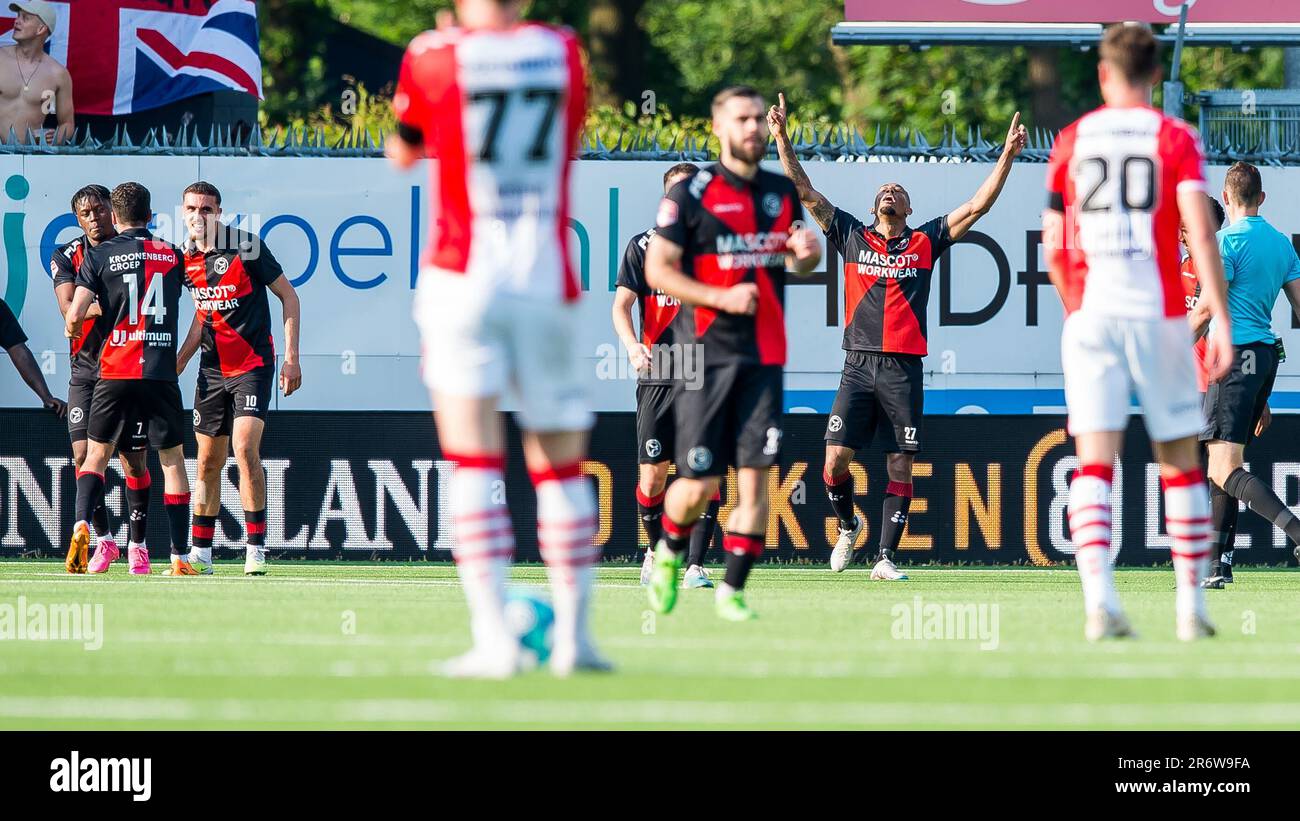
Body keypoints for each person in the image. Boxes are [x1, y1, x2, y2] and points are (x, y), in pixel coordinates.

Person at [386, 0, 606, 679]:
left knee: (475, 464)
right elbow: (569, 135)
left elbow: (402, 151)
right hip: (546, 277)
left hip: (462, 278)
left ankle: (495, 642)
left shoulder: (431, 55)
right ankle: (575, 642)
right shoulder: (564, 52)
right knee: (560, 468)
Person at [770, 92, 1027, 580]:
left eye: (897, 189)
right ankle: (848, 525)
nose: (889, 191)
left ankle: (885, 558)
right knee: (834, 462)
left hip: (904, 367)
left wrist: (1008, 156)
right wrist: (782, 138)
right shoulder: (850, 234)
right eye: (883, 190)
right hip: (858, 364)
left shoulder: (926, 240)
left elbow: (978, 205)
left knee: (899, 467)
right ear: (874, 208)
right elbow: (805, 192)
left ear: (908, 207)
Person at [1043, 23, 1234, 642]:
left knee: (1094, 464)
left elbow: (1053, 243)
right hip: (1158, 314)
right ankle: (1191, 610)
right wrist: (1221, 316)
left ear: (1103, 74)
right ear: (1156, 75)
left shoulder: (1073, 138)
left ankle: (1100, 603)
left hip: (1092, 314)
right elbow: (1199, 232)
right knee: (1180, 463)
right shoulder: (1174, 135)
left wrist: (1078, 308)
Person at [643, 85, 822, 621]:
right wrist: (720, 296)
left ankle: (732, 589)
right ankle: (669, 551)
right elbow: (659, 270)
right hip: (702, 359)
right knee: (697, 486)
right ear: (718, 126)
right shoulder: (688, 195)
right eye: (741, 119)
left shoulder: (779, 192)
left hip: (764, 358)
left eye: (758, 120)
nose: (753, 128)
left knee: (756, 482)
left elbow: (800, 260)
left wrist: (807, 255)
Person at [64, 182, 194, 577]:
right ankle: (178, 558)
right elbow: (204, 306)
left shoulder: (100, 254)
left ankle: (82, 526)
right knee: (171, 461)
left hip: (114, 370)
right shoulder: (172, 254)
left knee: (95, 457)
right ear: (151, 216)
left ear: (115, 218)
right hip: (158, 372)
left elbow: (75, 315)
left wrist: (74, 329)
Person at [176, 181, 303, 576]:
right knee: (207, 463)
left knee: (245, 450)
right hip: (211, 372)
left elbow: (290, 296)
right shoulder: (184, 260)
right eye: (192, 209)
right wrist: (179, 362)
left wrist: (292, 359)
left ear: (219, 212)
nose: (199, 216)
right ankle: (202, 553)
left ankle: (256, 548)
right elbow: (203, 315)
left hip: (252, 366)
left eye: (207, 209)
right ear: (183, 212)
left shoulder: (247, 246)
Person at [613, 162, 723, 589]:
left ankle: (694, 564)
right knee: (654, 474)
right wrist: (631, 345)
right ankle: (658, 554)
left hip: (704, 372)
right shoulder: (642, 245)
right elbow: (621, 306)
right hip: (658, 372)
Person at [1188, 162, 1300, 579]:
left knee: (1222, 467)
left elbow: (1203, 311)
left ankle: (1296, 531)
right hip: (1266, 357)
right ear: (1262, 198)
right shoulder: (1282, 245)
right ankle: (1218, 565)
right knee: (1227, 460)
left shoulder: (1224, 242)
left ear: (1227, 196)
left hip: (1231, 355)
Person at [51, 184, 161, 575]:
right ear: (77, 218)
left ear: (112, 213)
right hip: (85, 370)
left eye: (99, 210)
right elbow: (70, 308)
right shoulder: (68, 255)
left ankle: (139, 544)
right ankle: (104, 541)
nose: (94, 218)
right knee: (83, 457)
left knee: (134, 461)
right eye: (85, 213)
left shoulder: (132, 250)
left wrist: (103, 304)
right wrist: (117, 305)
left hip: (127, 367)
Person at [1177, 194, 1251, 589]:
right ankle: (1204, 557)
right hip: (1187, 385)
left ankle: (1219, 557)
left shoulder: (1223, 267)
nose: (1185, 238)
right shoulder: (1178, 270)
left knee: (1221, 470)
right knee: (1198, 471)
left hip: (1222, 380)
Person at [0, 1, 73, 143]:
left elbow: (67, 123)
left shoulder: (58, 75)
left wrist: (56, 137)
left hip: (30, 157)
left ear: (41, 29)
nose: (16, 21)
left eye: (25, 18)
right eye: (18, 16)